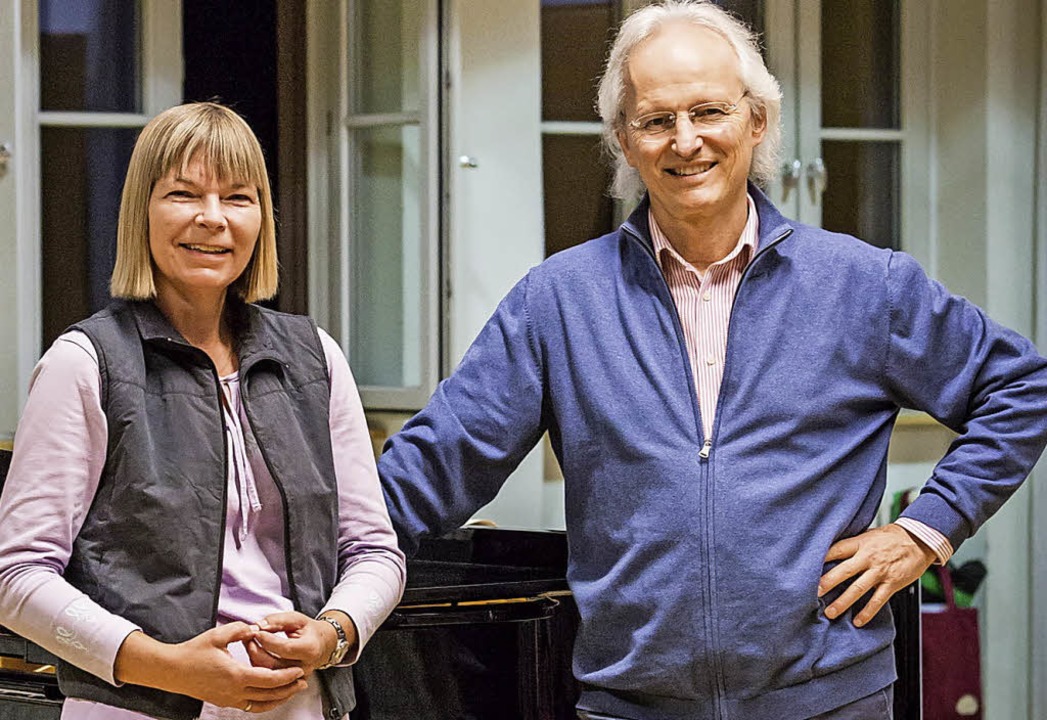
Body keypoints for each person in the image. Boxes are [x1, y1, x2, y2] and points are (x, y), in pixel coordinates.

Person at [377, 2, 1047, 719]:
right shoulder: (558, 301)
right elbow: (438, 462)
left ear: (756, 122)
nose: (685, 141)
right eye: (656, 119)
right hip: (628, 705)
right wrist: (287, 562)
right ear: (624, 141)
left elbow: (1020, 386)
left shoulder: (863, 285)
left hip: (829, 702)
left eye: (708, 112)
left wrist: (928, 528)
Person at [0, 102, 406, 720]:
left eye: (238, 198)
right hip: (137, 708)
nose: (212, 219)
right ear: (143, 210)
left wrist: (333, 635)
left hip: (299, 708)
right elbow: (17, 575)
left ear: (261, 219)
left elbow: (374, 550)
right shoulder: (83, 363)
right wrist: (168, 667)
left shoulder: (315, 358)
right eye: (184, 194)